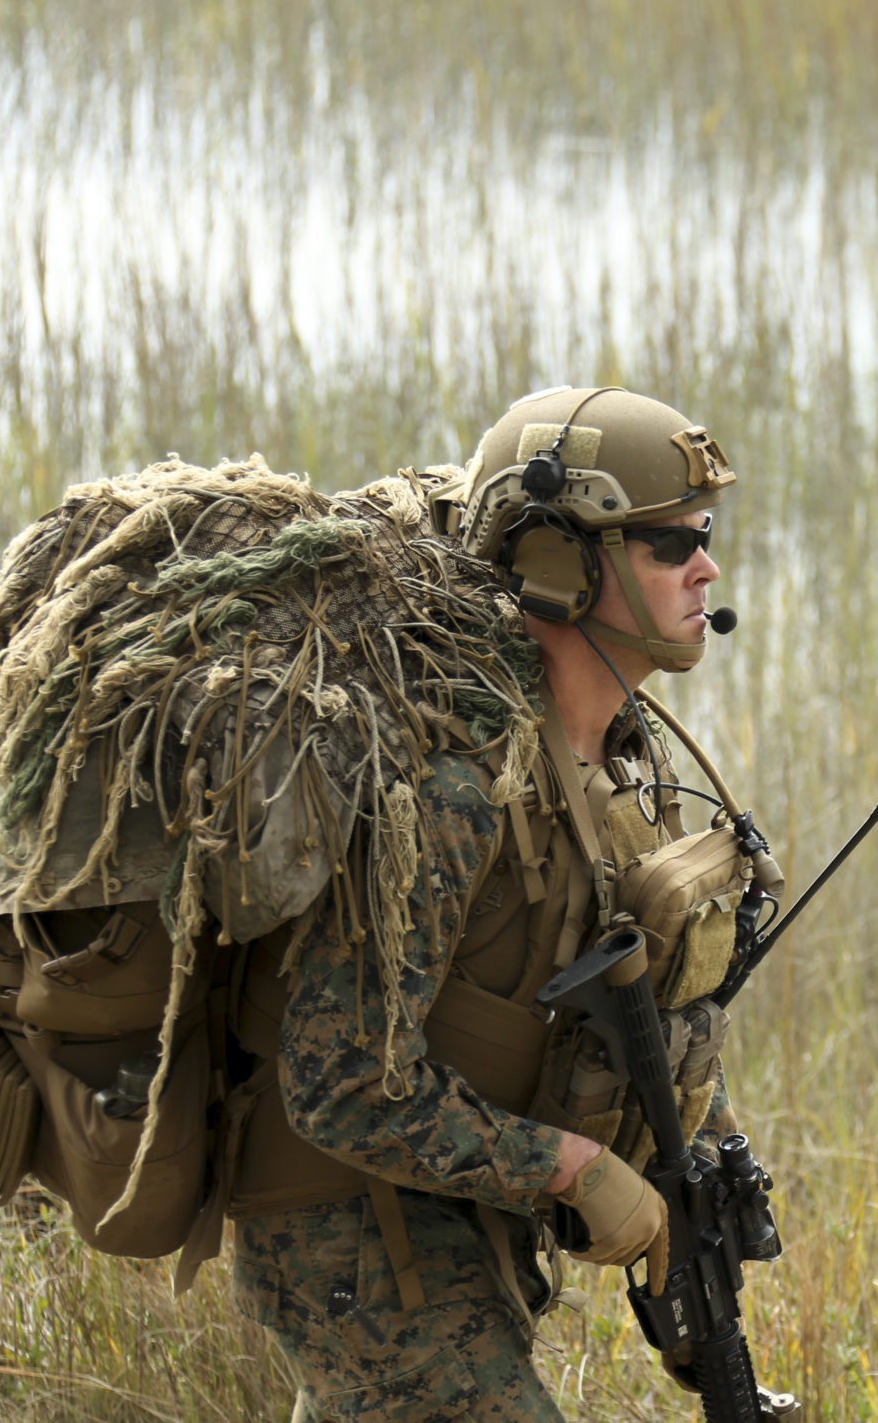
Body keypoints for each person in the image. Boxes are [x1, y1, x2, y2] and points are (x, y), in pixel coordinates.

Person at [220, 386, 755, 1421]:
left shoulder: (617, 756)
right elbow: (337, 1083)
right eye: (665, 544)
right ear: (560, 561)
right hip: (349, 1222)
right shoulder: (458, 786)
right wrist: (570, 1167)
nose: (706, 568)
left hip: (457, 1208)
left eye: (704, 536)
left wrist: (695, 1143)